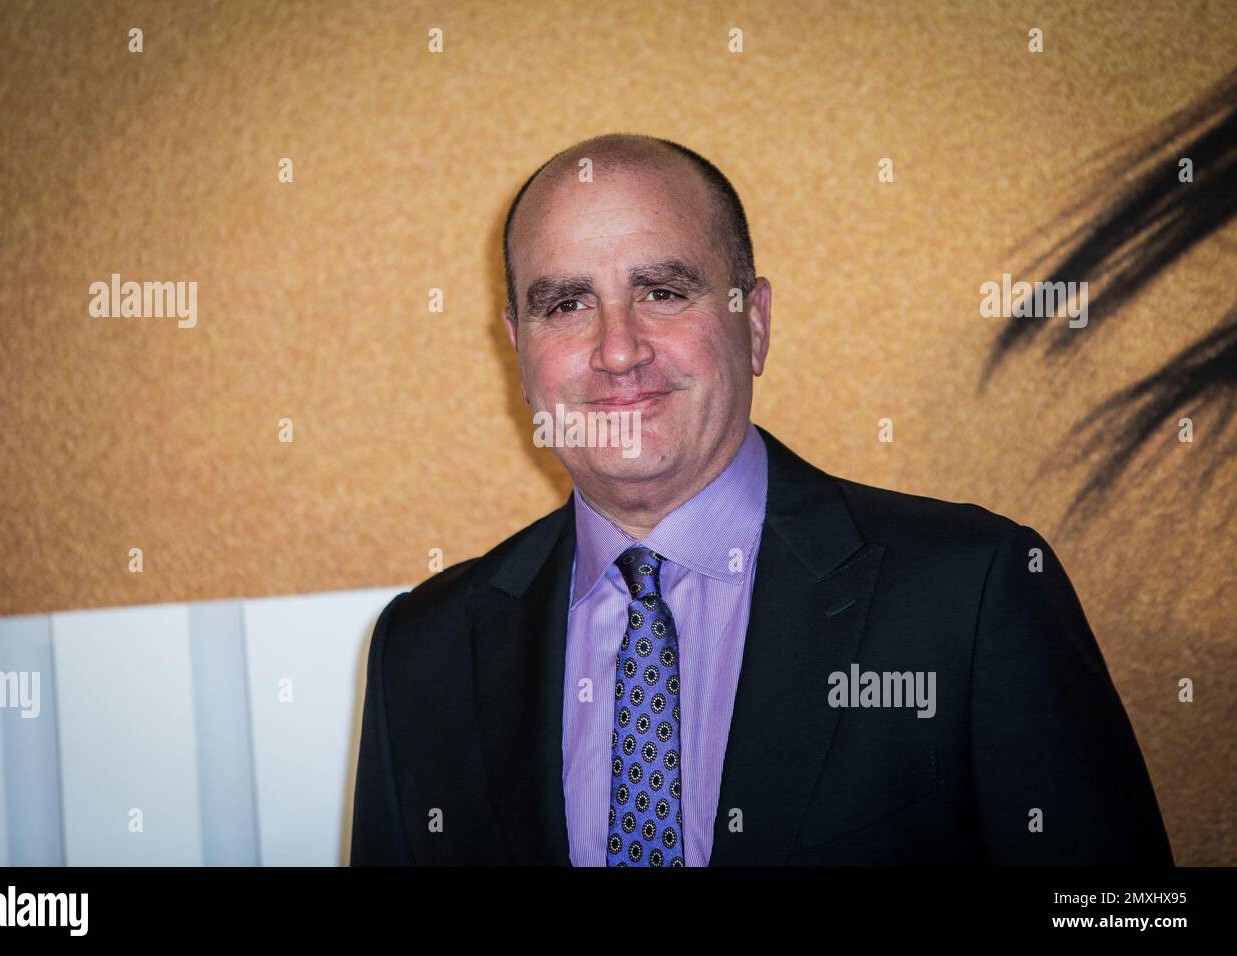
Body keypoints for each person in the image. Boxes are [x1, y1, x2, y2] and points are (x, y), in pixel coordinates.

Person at [350, 133, 1173, 866]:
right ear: (521, 351)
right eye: (566, 304)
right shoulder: (421, 651)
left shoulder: (973, 594)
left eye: (663, 292)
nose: (617, 349)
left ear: (755, 325)